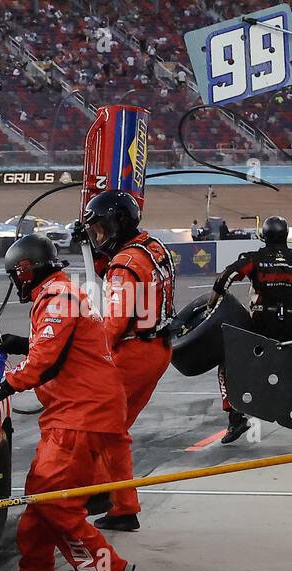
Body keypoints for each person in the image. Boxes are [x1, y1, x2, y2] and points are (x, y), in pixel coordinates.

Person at [0, 235, 135, 571]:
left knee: (54, 500)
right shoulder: (59, 293)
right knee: (40, 497)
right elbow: (57, 347)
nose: (15, 284)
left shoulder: (56, 299)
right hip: (77, 412)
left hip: (80, 415)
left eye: (15, 277)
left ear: (25, 271)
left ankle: (108, 570)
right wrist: (23, 343)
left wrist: (2, 387)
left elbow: (43, 363)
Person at [78, 190, 175, 531]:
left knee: (96, 425)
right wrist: (92, 250)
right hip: (159, 350)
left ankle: (109, 499)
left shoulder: (124, 267)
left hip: (131, 355)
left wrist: (80, 353)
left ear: (118, 222)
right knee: (112, 429)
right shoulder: (153, 248)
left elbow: (113, 325)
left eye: (100, 229)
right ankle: (112, 498)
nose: (97, 236)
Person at [211, 215, 292, 443]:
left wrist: (214, 298)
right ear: (285, 236)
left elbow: (228, 275)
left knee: (228, 363)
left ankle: (235, 419)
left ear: (264, 235)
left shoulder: (255, 258)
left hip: (262, 327)